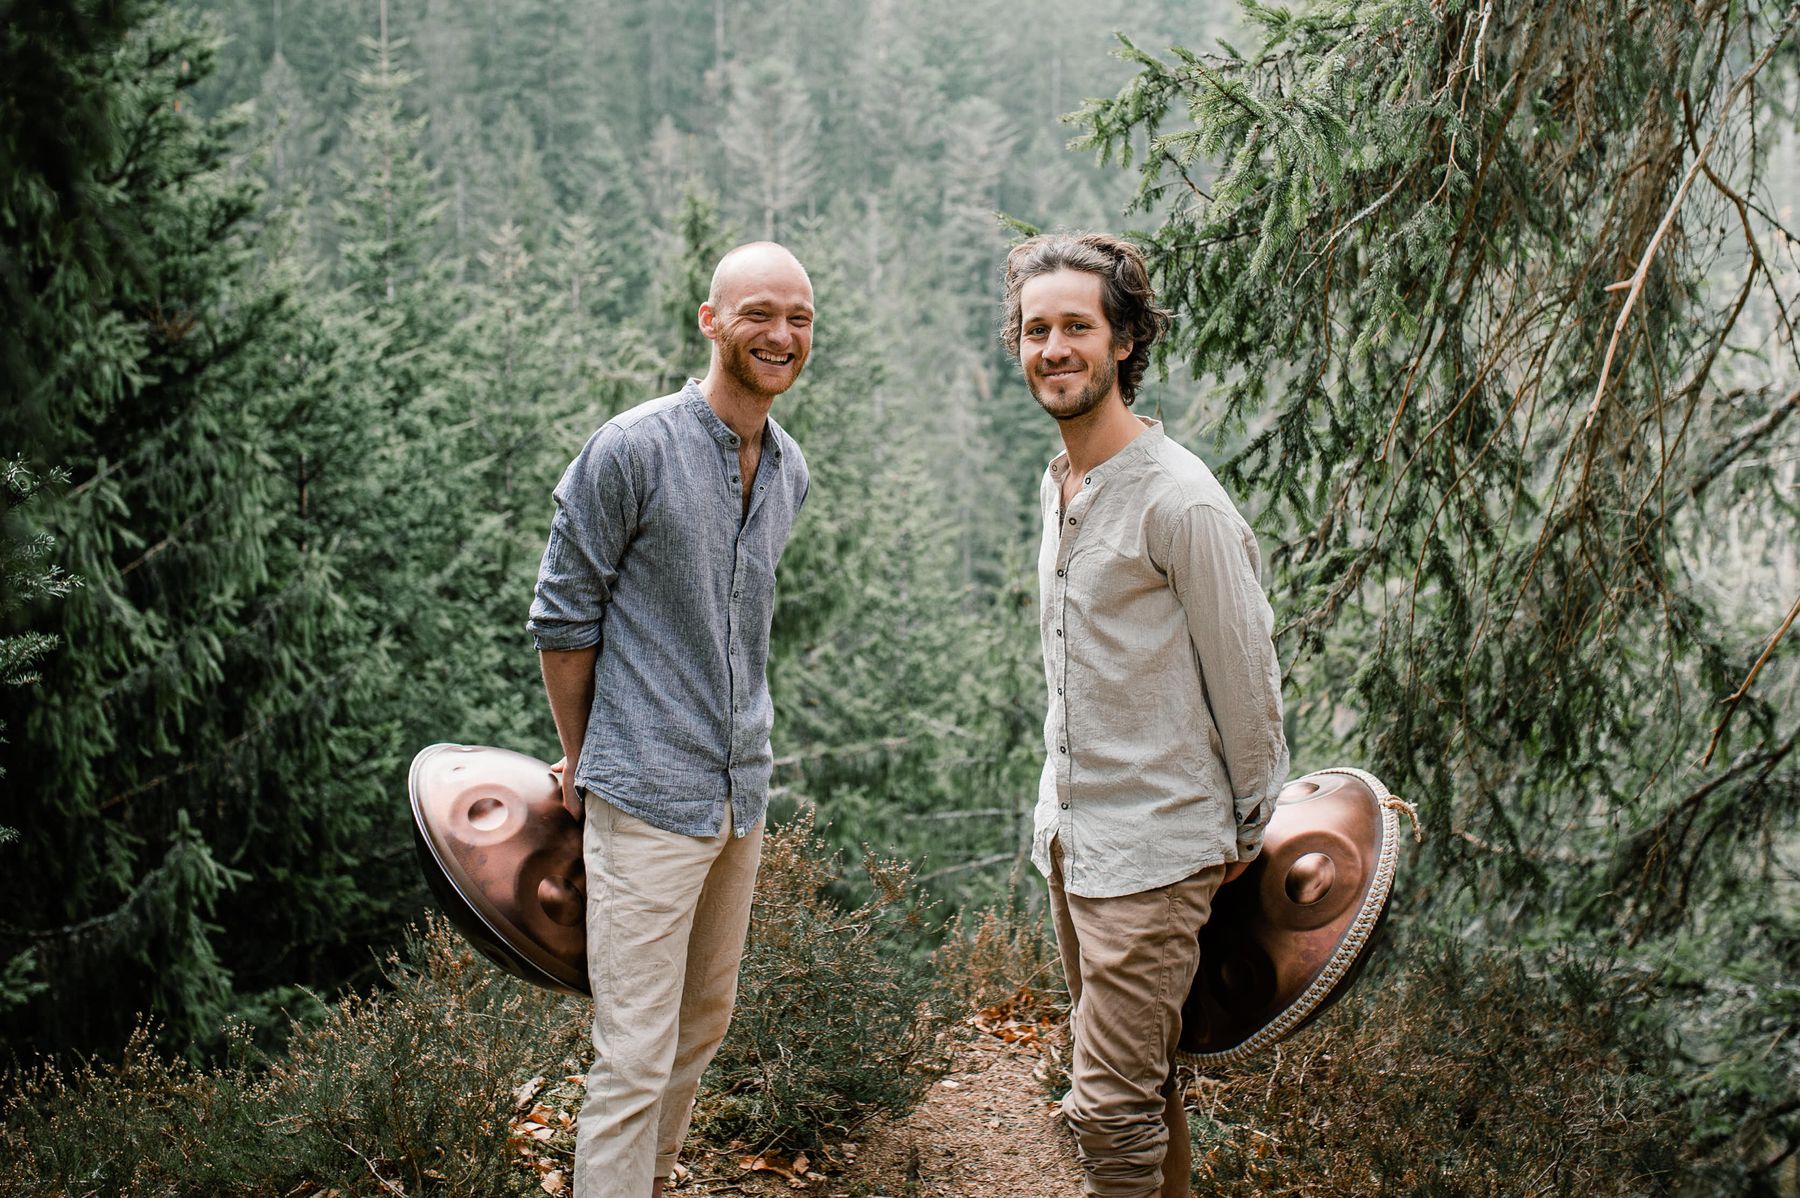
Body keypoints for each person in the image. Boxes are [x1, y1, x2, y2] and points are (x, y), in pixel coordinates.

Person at [1000, 232, 1289, 1198]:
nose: (1053, 349)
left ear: (1124, 340)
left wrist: (1248, 823)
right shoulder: (1064, 485)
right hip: (1078, 842)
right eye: (1036, 330)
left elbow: (1247, 680)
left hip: (1158, 849)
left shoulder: (1181, 502)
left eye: (1076, 326)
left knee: (1109, 1109)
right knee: (1146, 1082)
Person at [527, 242, 814, 1198]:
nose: (780, 335)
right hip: (644, 794)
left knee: (701, 1028)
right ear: (710, 320)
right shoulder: (631, 449)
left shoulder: (789, 470)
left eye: (799, 319)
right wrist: (584, 759)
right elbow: (563, 620)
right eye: (759, 313)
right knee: (634, 1055)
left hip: (740, 795)